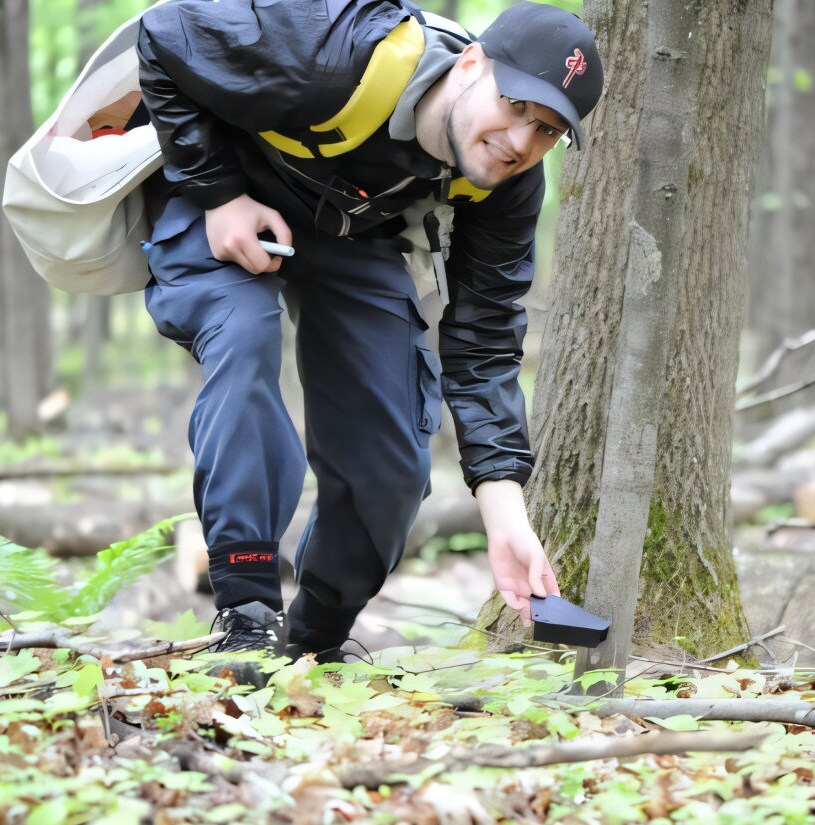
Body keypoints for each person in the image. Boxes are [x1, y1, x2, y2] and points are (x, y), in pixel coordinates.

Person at [135, 0, 604, 662]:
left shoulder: (506, 185)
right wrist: (217, 192)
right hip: (225, 192)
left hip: (351, 232)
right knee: (244, 338)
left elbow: (485, 341)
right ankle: (246, 614)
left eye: (548, 131)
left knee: (391, 458)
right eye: (514, 105)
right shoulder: (335, 51)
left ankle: (313, 641)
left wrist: (506, 518)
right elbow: (163, 34)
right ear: (472, 63)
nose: (521, 142)